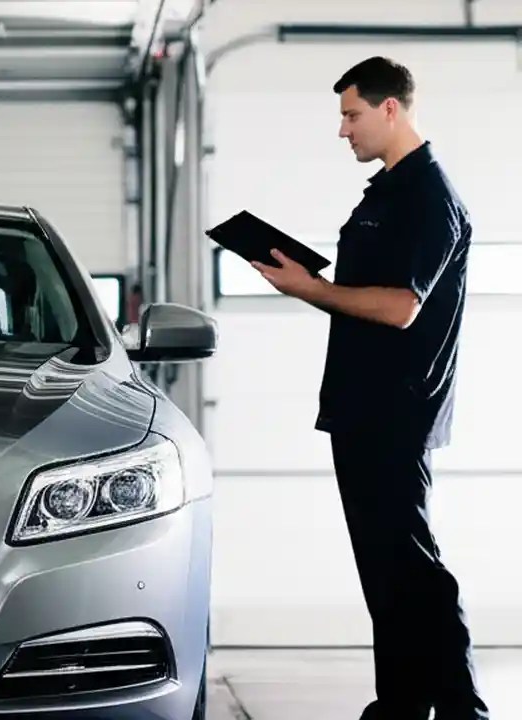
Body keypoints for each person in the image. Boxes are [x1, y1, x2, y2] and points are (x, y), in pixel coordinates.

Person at [250, 56, 488, 720]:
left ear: (391, 110)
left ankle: (463, 706)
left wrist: (311, 288)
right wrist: (306, 279)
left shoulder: (430, 196)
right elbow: (360, 295)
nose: (343, 130)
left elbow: (400, 306)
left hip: (397, 409)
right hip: (360, 405)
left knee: (412, 562)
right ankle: (403, 702)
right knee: (385, 566)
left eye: (352, 115)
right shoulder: (384, 193)